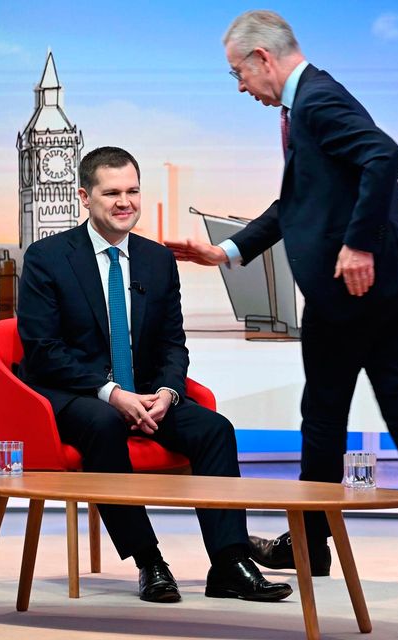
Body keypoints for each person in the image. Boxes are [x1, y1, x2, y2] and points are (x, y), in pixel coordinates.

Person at [165, 10, 398, 588]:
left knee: (323, 418)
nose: (240, 87)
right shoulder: (308, 103)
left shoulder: (314, 101)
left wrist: (358, 245)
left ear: (263, 57)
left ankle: (310, 545)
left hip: (354, 289)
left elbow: (385, 156)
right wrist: (226, 253)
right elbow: (296, 206)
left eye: (238, 73)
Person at [16, 146, 291, 604]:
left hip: (147, 395)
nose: (125, 202)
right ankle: (150, 561)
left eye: (133, 191)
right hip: (74, 395)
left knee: (215, 430)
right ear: (85, 196)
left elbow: (171, 343)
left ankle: (229, 563)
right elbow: (43, 353)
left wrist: (166, 392)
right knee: (103, 424)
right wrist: (111, 394)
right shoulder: (47, 258)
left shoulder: (156, 260)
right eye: (112, 193)